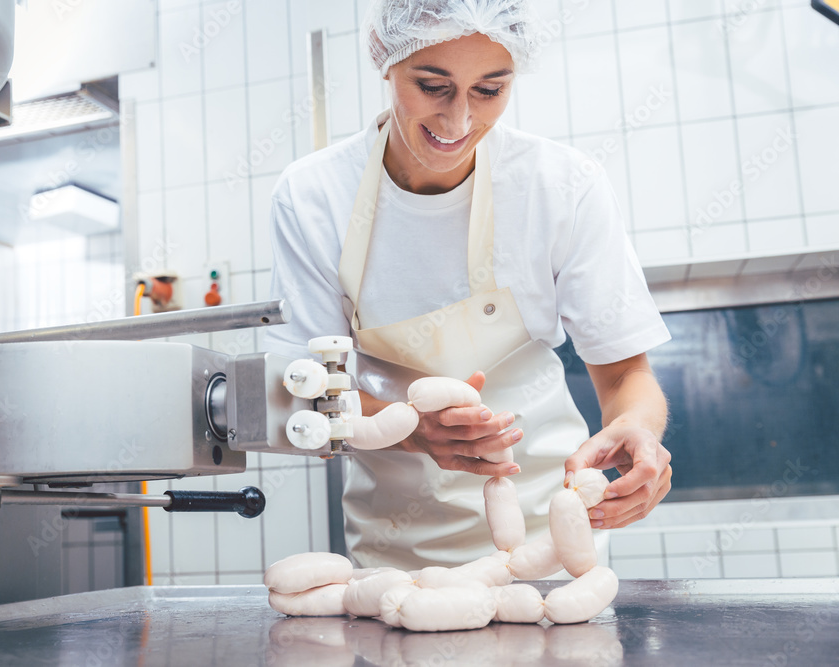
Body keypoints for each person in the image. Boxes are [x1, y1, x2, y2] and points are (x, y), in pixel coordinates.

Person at [264, 0, 672, 570]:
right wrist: (408, 430)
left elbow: (627, 372)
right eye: (432, 86)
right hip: (396, 552)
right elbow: (302, 389)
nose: (458, 122)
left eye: (489, 90)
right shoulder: (314, 197)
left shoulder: (560, 186)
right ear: (387, 61)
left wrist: (637, 430)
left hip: (554, 538)